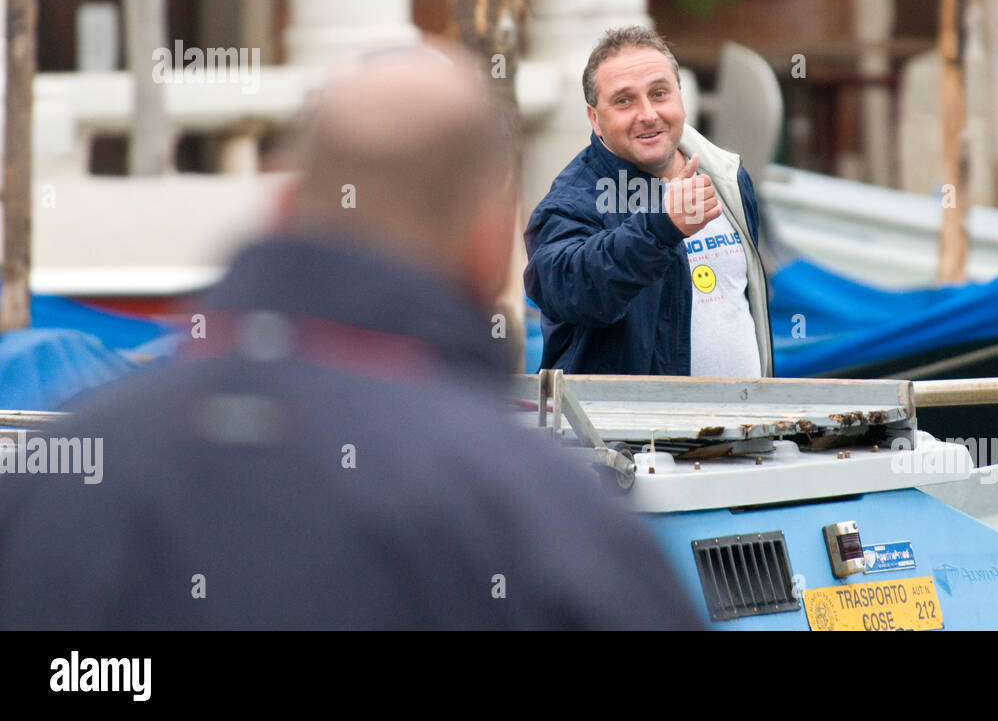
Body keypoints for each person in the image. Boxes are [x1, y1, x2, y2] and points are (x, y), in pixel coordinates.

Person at [0, 41, 702, 630]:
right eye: (624, 98)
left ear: (281, 207)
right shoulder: (553, 523)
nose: (646, 113)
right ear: (490, 248)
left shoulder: (54, 483)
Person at [524, 26, 773, 377]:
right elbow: (570, 289)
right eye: (624, 101)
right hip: (626, 416)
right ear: (595, 119)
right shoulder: (570, 201)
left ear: (680, 99)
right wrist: (660, 228)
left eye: (659, 94)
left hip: (746, 412)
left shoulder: (727, 174)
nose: (647, 114)